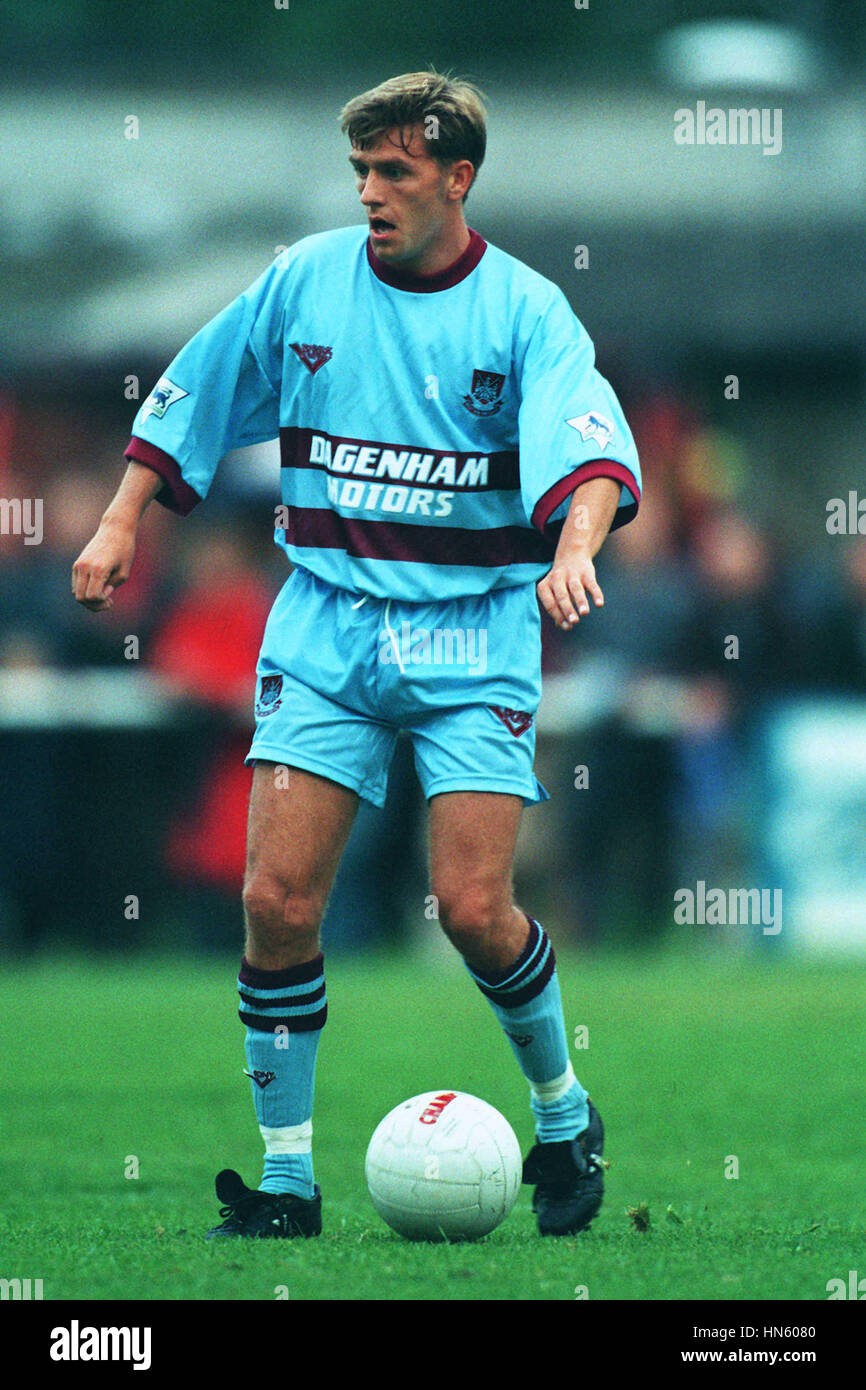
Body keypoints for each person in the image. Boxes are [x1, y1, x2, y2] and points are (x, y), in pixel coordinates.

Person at [72, 71, 641, 1239]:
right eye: (361, 173)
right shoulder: (305, 280)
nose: (372, 193)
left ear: (456, 177)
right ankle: (285, 1183)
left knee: (472, 907)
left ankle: (563, 1111)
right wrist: (122, 517)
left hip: (472, 628)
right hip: (327, 623)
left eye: (395, 172)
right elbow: (193, 388)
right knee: (275, 902)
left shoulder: (525, 312)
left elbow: (585, 449)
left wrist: (574, 546)